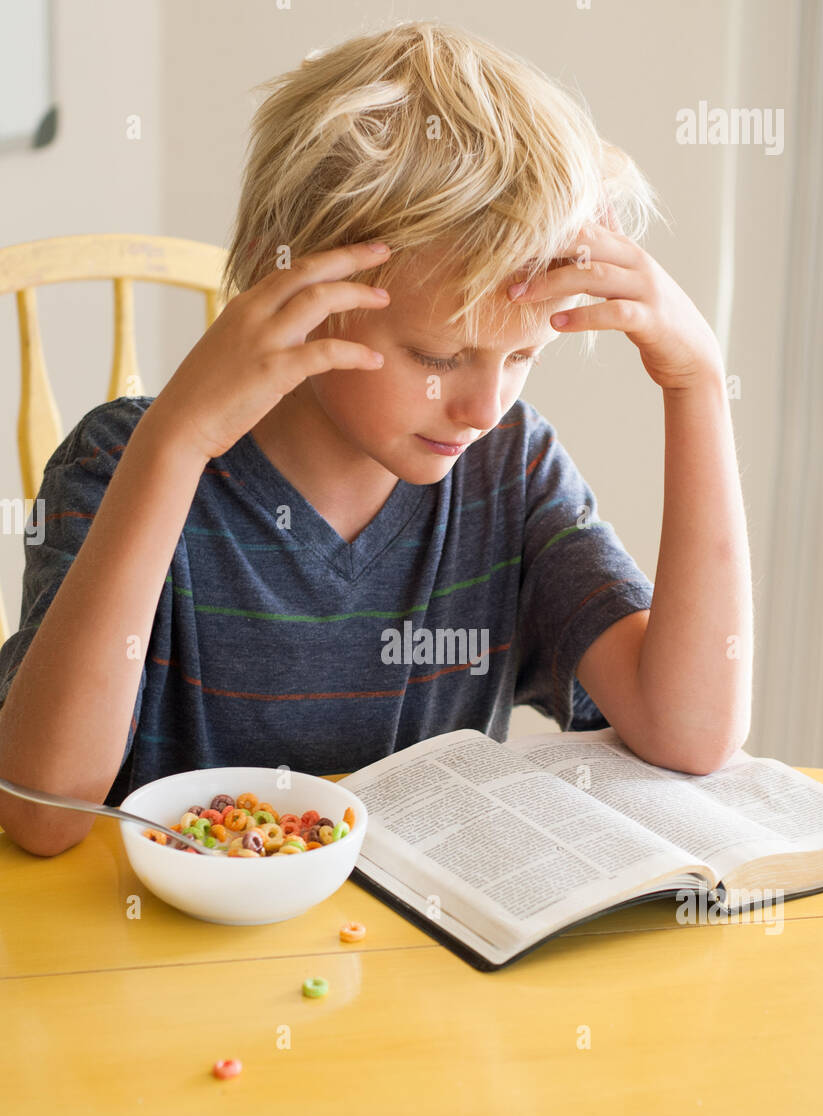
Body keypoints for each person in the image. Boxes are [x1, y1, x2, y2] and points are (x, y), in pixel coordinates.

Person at [0, 20, 751, 857]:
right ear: (291, 278)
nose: (481, 405)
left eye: (523, 357)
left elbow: (691, 734)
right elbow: (43, 811)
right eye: (439, 355)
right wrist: (175, 444)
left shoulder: (512, 473)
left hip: (408, 972)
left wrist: (698, 388)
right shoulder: (120, 462)